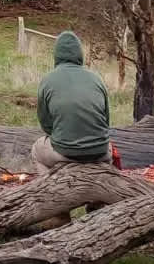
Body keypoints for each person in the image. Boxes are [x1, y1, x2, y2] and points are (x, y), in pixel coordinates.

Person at [32, 31, 111, 176]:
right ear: (80, 54)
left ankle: (48, 187)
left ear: (56, 55)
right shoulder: (97, 79)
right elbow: (106, 121)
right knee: (109, 146)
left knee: (36, 149)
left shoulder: (47, 80)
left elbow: (46, 124)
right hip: (101, 153)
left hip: (65, 153)